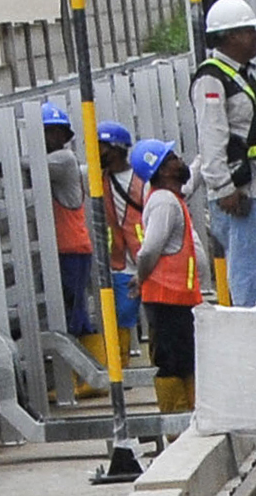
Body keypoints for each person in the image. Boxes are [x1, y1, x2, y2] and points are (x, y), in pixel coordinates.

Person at [191, 0, 256, 308]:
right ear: (230, 36)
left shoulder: (241, 73)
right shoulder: (212, 79)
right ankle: (253, 326)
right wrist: (223, 188)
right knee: (251, 273)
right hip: (242, 192)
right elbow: (212, 137)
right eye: (249, 31)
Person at [128, 139, 201, 414]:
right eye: (172, 158)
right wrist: (141, 277)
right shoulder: (164, 202)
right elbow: (149, 250)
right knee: (171, 362)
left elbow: (193, 181)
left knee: (186, 358)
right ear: (161, 170)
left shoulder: (171, 198)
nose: (179, 161)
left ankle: (190, 414)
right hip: (166, 297)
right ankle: (176, 422)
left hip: (176, 297)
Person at [41, 102, 109, 380]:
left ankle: (86, 374)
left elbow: (28, 166)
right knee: (73, 308)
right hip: (69, 249)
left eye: (53, 132)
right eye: (46, 131)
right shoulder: (61, 160)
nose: (50, 137)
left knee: (74, 312)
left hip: (71, 249)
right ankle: (88, 372)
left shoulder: (63, 159)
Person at [97, 120, 143, 354]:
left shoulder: (142, 178)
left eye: (101, 147)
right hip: (121, 260)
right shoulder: (99, 179)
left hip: (148, 257)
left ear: (115, 149)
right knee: (123, 314)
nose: (96, 152)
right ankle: (120, 365)